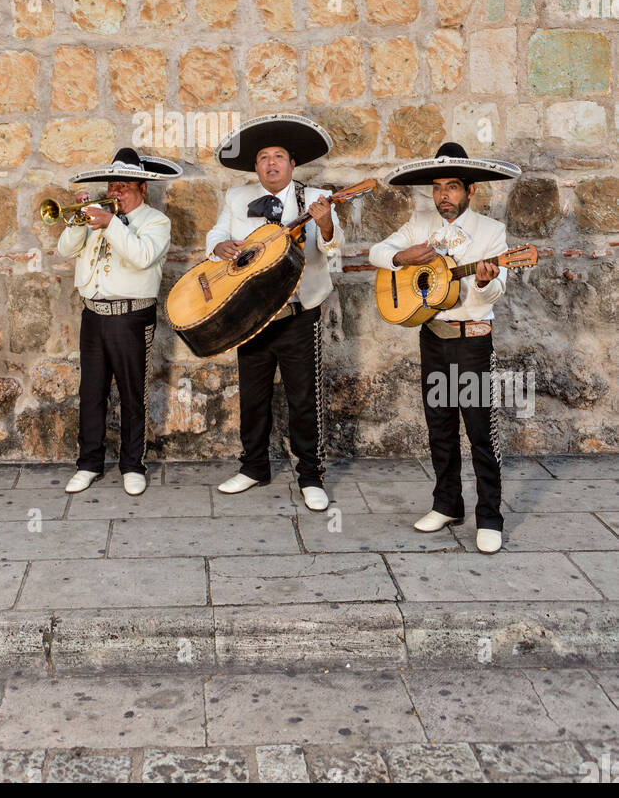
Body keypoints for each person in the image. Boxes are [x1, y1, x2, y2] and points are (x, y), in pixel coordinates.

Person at [368, 141, 521, 554]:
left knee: (479, 430)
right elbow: (374, 252)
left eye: (452, 187)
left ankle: (489, 516)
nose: (443, 196)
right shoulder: (419, 223)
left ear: (471, 191)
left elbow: (496, 293)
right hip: (433, 337)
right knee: (439, 425)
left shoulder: (491, 232)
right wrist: (402, 256)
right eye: (437, 187)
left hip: (472, 342)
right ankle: (447, 504)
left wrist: (486, 281)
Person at [205, 113, 343, 511]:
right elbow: (216, 234)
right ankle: (253, 467)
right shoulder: (236, 198)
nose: (271, 163)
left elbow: (332, 250)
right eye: (263, 157)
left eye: (278, 156)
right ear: (256, 167)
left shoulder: (317, 197)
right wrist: (219, 248)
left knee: (304, 397)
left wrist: (327, 225)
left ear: (292, 164)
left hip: (299, 314)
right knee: (253, 395)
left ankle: (311, 475)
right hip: (249, 316)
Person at [57, 147, 181, 496]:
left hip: (131, 316)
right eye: (113, 186)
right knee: (91, 393)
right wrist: (78, 219)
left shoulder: (156, 221)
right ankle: (89, 463)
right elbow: (66, 250)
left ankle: (132, 464)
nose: (116, 192)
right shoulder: (96, 217)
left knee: (132, 392)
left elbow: (141, 257)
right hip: (93, 315)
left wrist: (109, 223)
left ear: (143, 189)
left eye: (125, 186)